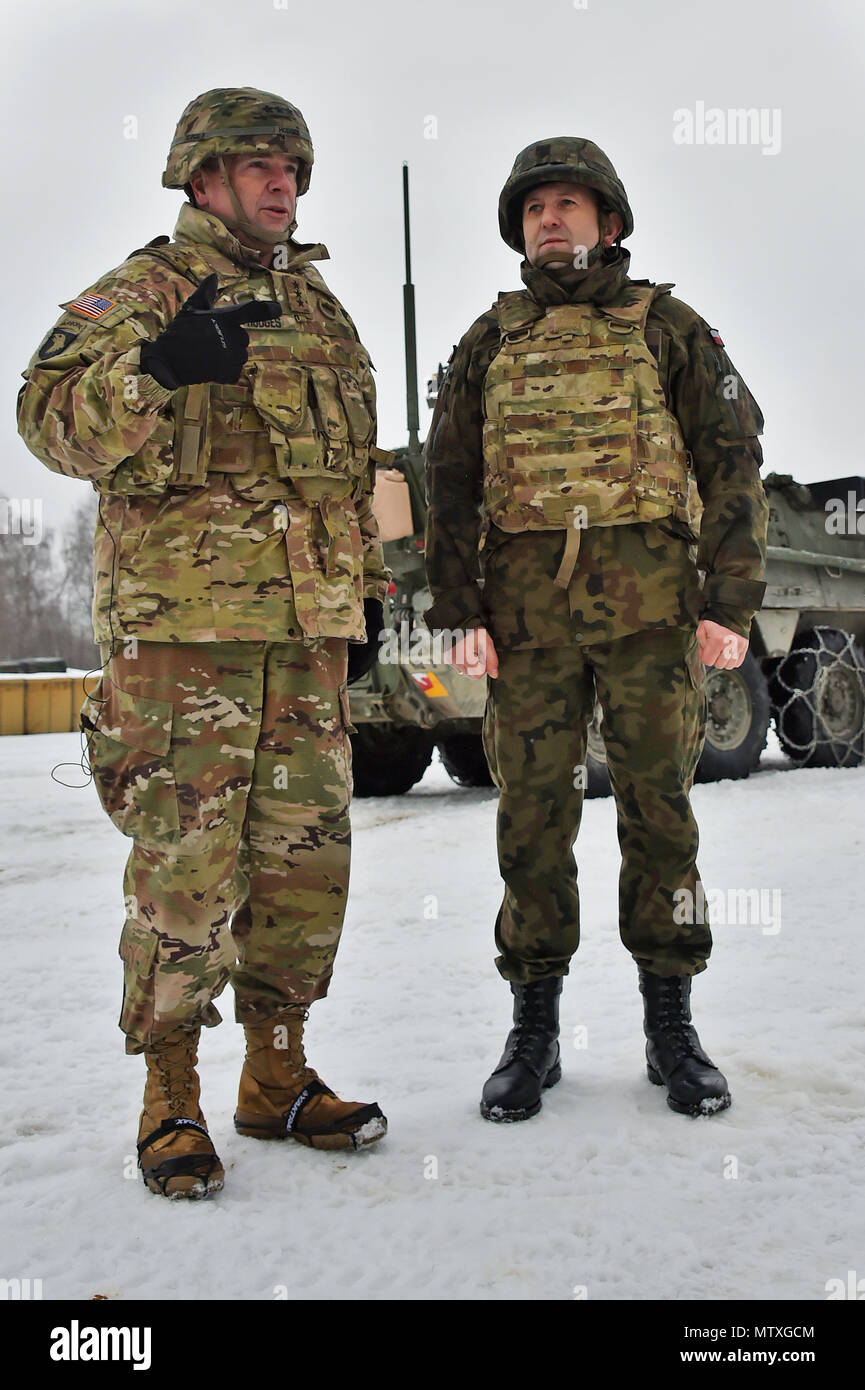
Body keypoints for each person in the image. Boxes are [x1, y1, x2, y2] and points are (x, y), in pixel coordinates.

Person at [17, 87, 391, 1198]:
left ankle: (275, 1076)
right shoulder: (142, 291)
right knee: (185, 873)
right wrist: (157, 368)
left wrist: (361, 596)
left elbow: (353, 473)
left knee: (304, 867)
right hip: (185, 643)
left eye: (293, 165)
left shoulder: (320, 309)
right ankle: (170, 1097)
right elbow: (47, 424)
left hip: (305, 641)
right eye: (260, 163)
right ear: (202, 176)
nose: (283, 181)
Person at [424, 137, 768, 1123]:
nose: (550, 220)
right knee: (530, 823)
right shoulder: (488, 341)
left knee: (660, 816)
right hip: (527, 627)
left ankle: (672, 1027)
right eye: (534, 207)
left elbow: (731, 455)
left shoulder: (668, 327)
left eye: (569, 203)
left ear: (609, 222)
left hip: (653, 619)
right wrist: (455, 612)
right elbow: (448, 482)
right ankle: (532, 1031)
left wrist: (728, 603)